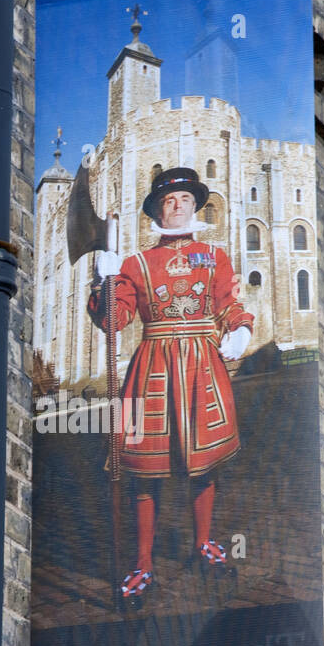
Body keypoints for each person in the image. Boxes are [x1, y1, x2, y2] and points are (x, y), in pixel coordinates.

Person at [88, 166, 254, 599]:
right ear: (157, 212)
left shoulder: (215, 256)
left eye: (184, 200)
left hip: (203, 365)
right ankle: (142, 564)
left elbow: (228, 302)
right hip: (153, 369)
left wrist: (240, 328)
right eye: (168, 201)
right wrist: (102, 281)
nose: (177, 207)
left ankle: (203, 543)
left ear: (196, 206)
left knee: (205, 463)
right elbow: (115, 320)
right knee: (147, 471)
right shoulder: (136, 263)